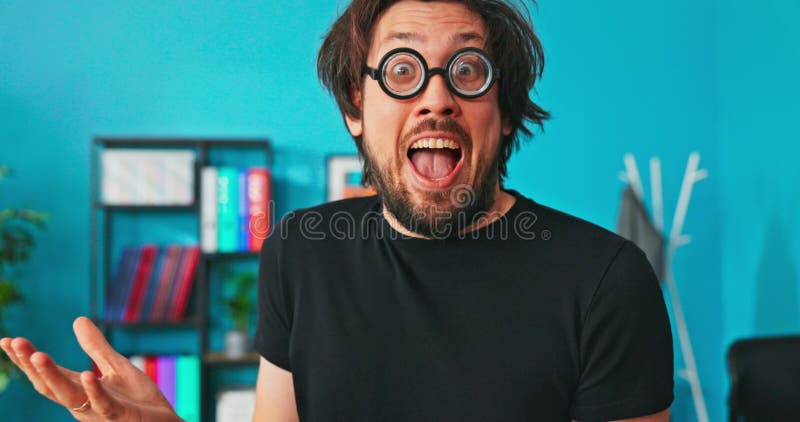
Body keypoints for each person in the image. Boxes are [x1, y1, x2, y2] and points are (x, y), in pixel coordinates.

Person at [1, 0, 674, 421]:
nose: (436, 98)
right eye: (403, 71)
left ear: (502, 114)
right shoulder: (301, 253)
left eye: (468, 72)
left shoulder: (605, 280)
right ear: (357, 106)